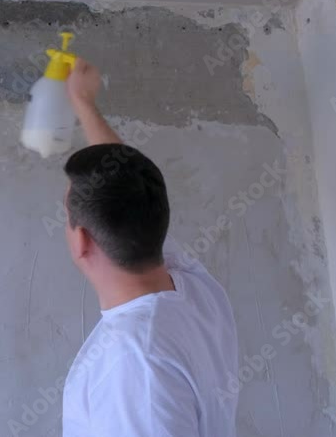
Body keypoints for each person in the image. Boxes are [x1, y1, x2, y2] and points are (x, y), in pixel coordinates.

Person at [60, 59, 239, 437]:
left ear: (82, 240)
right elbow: (125, 186)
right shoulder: (192, 287)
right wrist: (83, 103)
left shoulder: (134, 367)